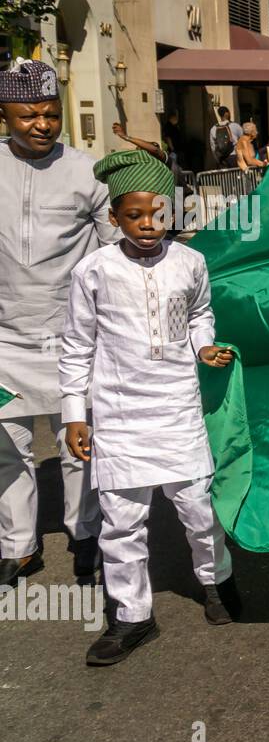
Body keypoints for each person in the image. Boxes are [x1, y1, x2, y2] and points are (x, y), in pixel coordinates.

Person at [59, 149, 240, 664]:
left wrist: (204, 346)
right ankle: (132, 616)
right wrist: (76, 413)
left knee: (199, 510)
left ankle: (216, 582)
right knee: (121, 522)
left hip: (178, 406)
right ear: (113, 218)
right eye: (133, 215)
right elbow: (76, 346)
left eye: (157, 213)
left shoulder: (191, 261)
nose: (146, 224)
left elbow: (202, 313)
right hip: (119, 413)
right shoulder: (93, 271)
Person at [0, 59, 112, 588]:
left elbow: (117, 251)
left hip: (72, 339)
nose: (41, 125)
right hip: (4, 341)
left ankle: (86, 533)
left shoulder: (88, 172)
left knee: (78, 442)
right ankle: (18, 546)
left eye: (50, 114)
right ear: (5, 114)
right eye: (28, 116)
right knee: (8, 446)